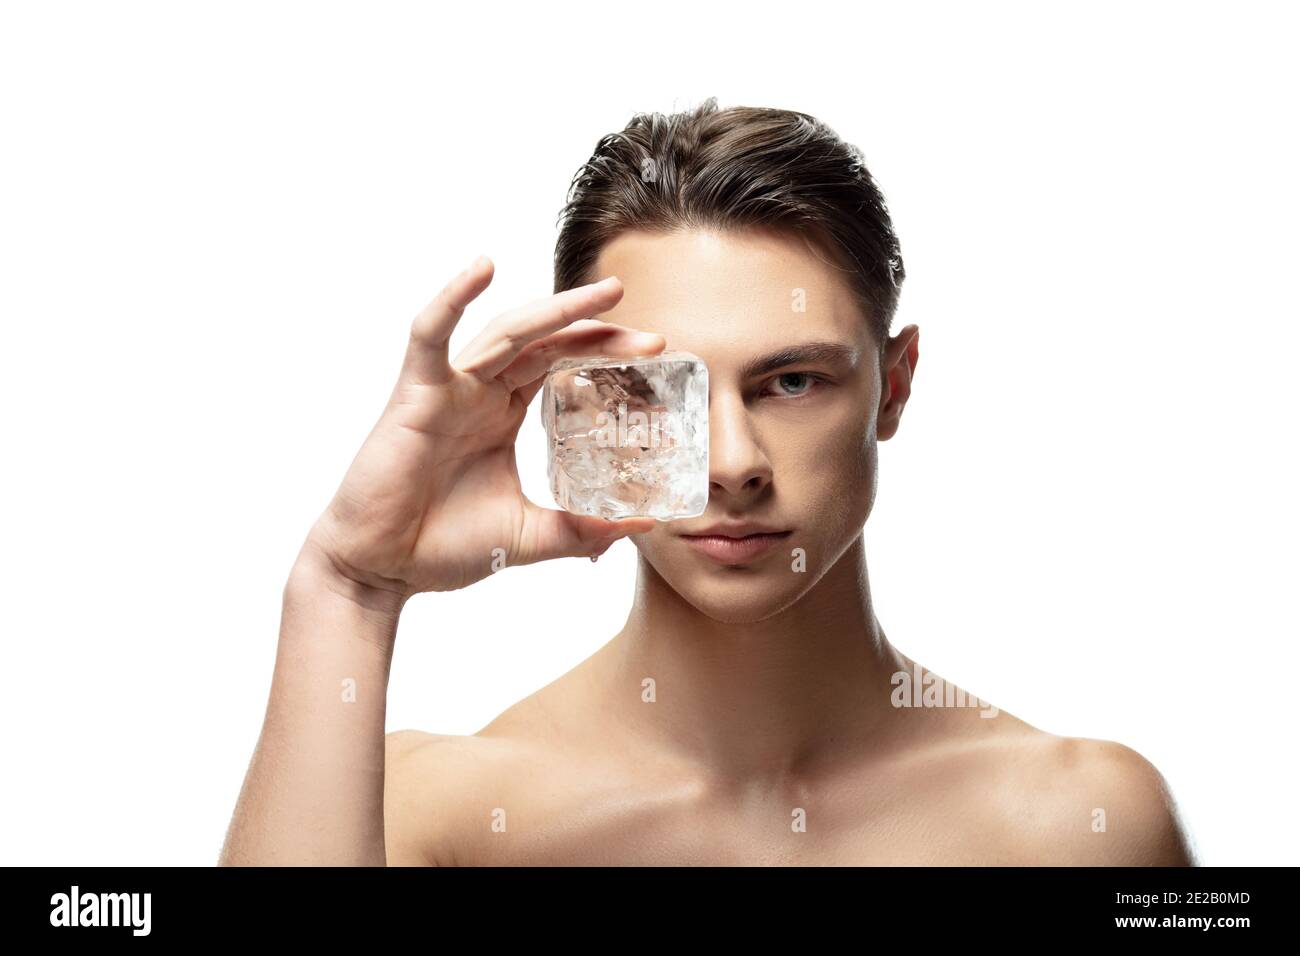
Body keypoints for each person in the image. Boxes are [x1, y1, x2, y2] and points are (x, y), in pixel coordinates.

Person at [218, 98, 1198, 866]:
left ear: (892, 386)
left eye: (790, 380)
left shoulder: (1080, 824)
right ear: (580, 405)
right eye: (657, 390)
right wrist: (349, 584)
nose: (731, 462)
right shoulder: (434, 814)